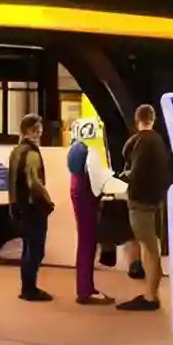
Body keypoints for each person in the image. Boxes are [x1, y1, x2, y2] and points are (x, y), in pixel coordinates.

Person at [117, 104, 173, 312]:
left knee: (149, 248)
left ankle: (150, 297)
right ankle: (151, 293)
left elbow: (137, 172)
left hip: (140, 202)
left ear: (137, 120)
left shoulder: (142, 142)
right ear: (153, 119)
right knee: (151, 245)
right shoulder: (159, 141)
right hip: (155, 200)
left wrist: (124, 180)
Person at [67, 119, 115, 305]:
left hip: (78, 197)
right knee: (88, 245)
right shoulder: (90, 152)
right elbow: (98, 183)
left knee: (84, 243)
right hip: (87, 200)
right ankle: (85, 290)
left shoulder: (74, 149)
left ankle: (85, 287)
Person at [8, 113, 53, 302]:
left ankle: (26, 286)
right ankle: (29, 288)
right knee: (35, 249)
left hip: (18, 205)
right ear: (32, 130)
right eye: (38, 128)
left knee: (27, 246)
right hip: (33, 207)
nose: (40, 131)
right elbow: (34, 182)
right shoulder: (32, 153)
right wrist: (47, 200)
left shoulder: (16, 151)